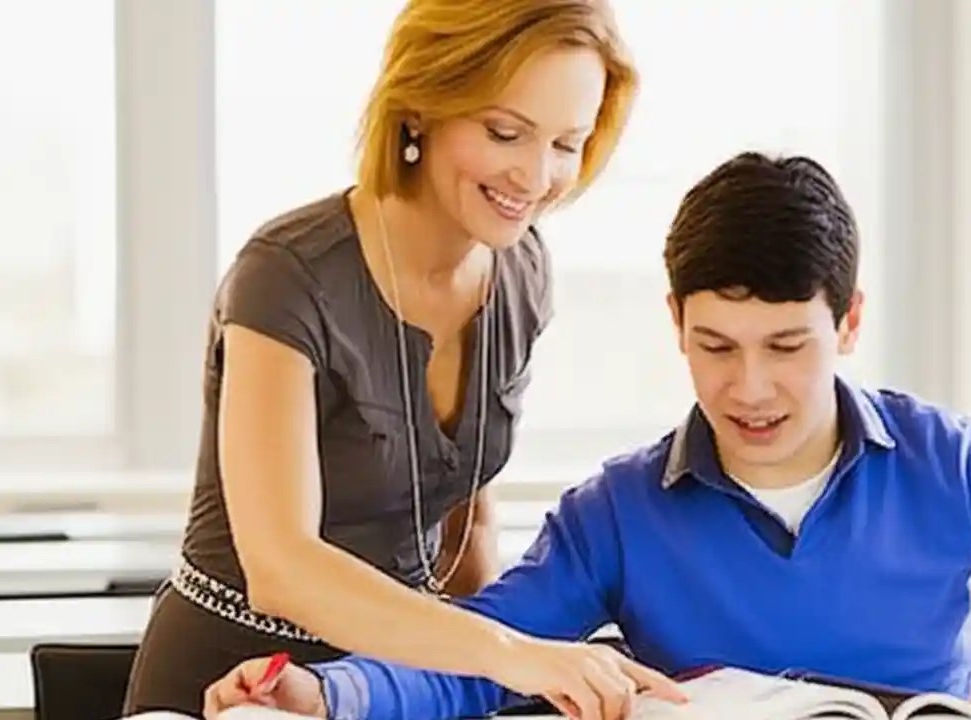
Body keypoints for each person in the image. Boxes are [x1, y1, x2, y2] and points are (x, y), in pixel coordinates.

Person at [203, 152, 971, 720]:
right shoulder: (616, 513)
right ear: (674, 321)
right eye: (715, 346)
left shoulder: (954, 464)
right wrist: (324, 697)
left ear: (848, 322)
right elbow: (481, 655)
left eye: (787, 347)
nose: (749, 389)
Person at [123, 1, 687, 717]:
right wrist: (513, 654)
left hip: (390, 687)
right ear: (421, 105)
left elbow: (470, 530)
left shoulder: (522, 272)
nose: (535, 175)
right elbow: (281, 567)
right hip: (237, 683)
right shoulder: (286, 274)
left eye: (566, 144)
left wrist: (481, 692)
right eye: (505, 132)